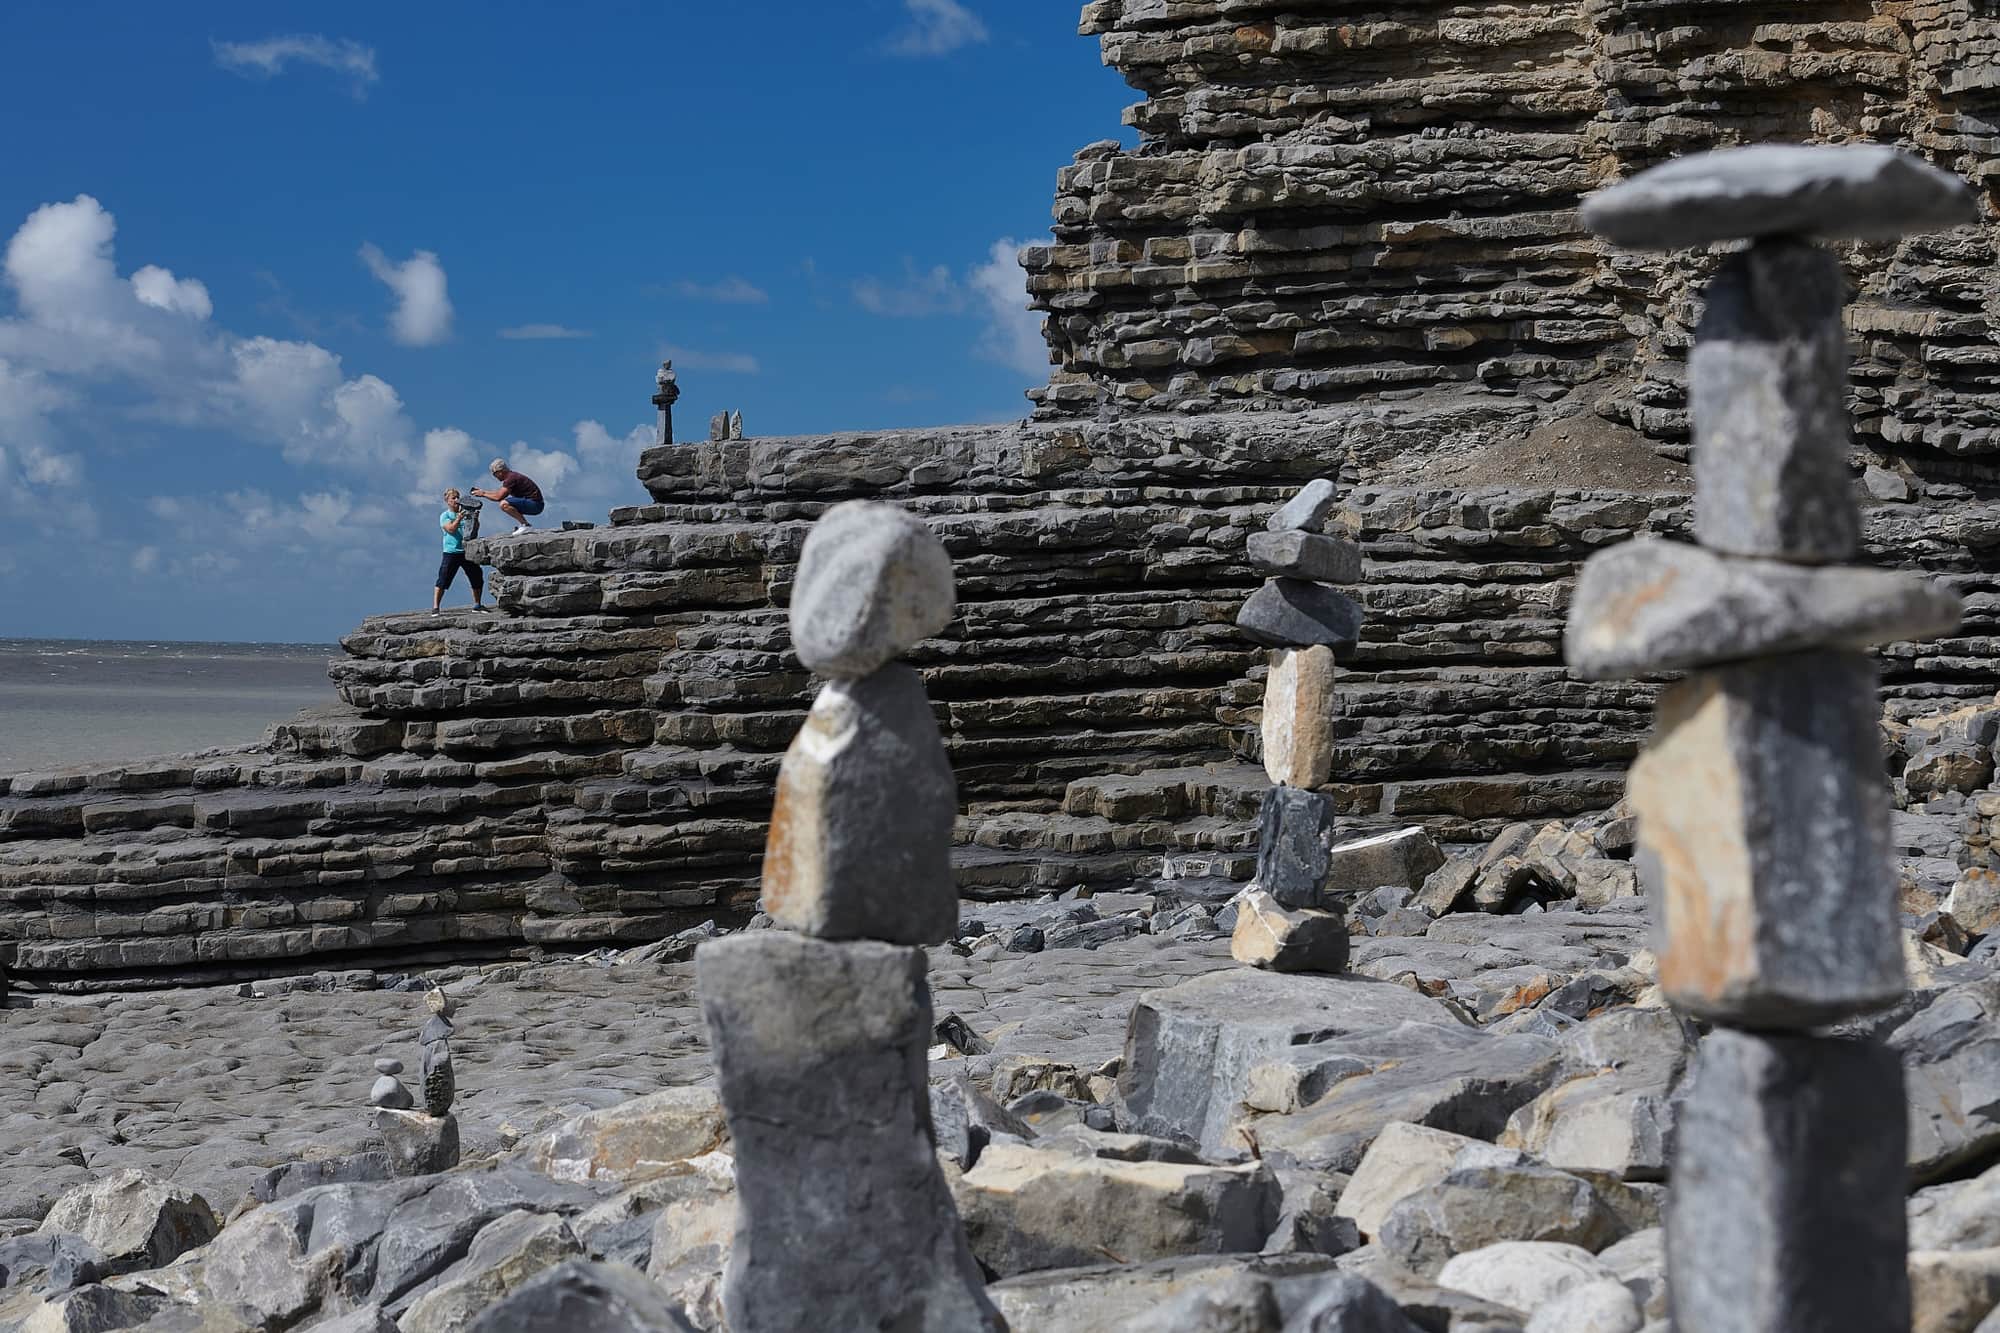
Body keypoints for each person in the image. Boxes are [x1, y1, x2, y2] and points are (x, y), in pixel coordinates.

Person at [434, 489, 488, 612]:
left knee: (476, 577)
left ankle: (477, 605)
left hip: (467, 551)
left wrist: (475, 519)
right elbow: (451, 529)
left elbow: (473, 531)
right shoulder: (445, 515)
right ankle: (436, 607)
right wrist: (459, 518)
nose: (456, 500)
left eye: (457, 497)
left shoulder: (465, 513)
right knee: (443, 579)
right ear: (447, 501)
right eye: (453, 498)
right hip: (451, 552)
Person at [472, 458, 545, 535]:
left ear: (500, 472)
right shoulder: (511, 476)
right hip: (535, 503)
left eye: (494, 474)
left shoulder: (510, 479)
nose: (494, 476)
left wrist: (483, 494)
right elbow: (498, 493)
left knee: (504, 504)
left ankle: (525, 525)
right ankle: (523, 524)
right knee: (505, 502)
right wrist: (483, 492)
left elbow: (498, 497)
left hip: (535, 504)